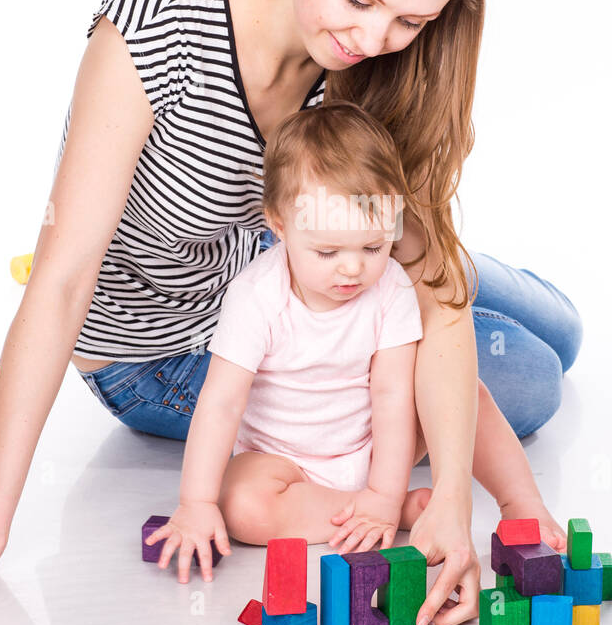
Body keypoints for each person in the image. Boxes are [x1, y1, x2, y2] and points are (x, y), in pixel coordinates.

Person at [0, 0, 582, 625]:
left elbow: (435, 297)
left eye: (410, 19)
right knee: (532, 377)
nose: (371, 41)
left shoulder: (378, 62)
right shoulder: (160, 24)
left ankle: (442, 288)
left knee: (551, 328)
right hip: (166, 345)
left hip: (292, 260)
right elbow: (63, 277)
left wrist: (454, 500)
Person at [146, 102, 432, 590]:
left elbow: (391, 396)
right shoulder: (257, 295)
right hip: (282, 460)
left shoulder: (392, 288)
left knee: (457, 395)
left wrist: (383, 489)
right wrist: (196, 503)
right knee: (242, 507)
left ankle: (392, 503)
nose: (352, 270)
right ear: (279, 225)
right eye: (327, 251)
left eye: (373, 247)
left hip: (369, 448)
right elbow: (220, 403)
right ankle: (390, 510)